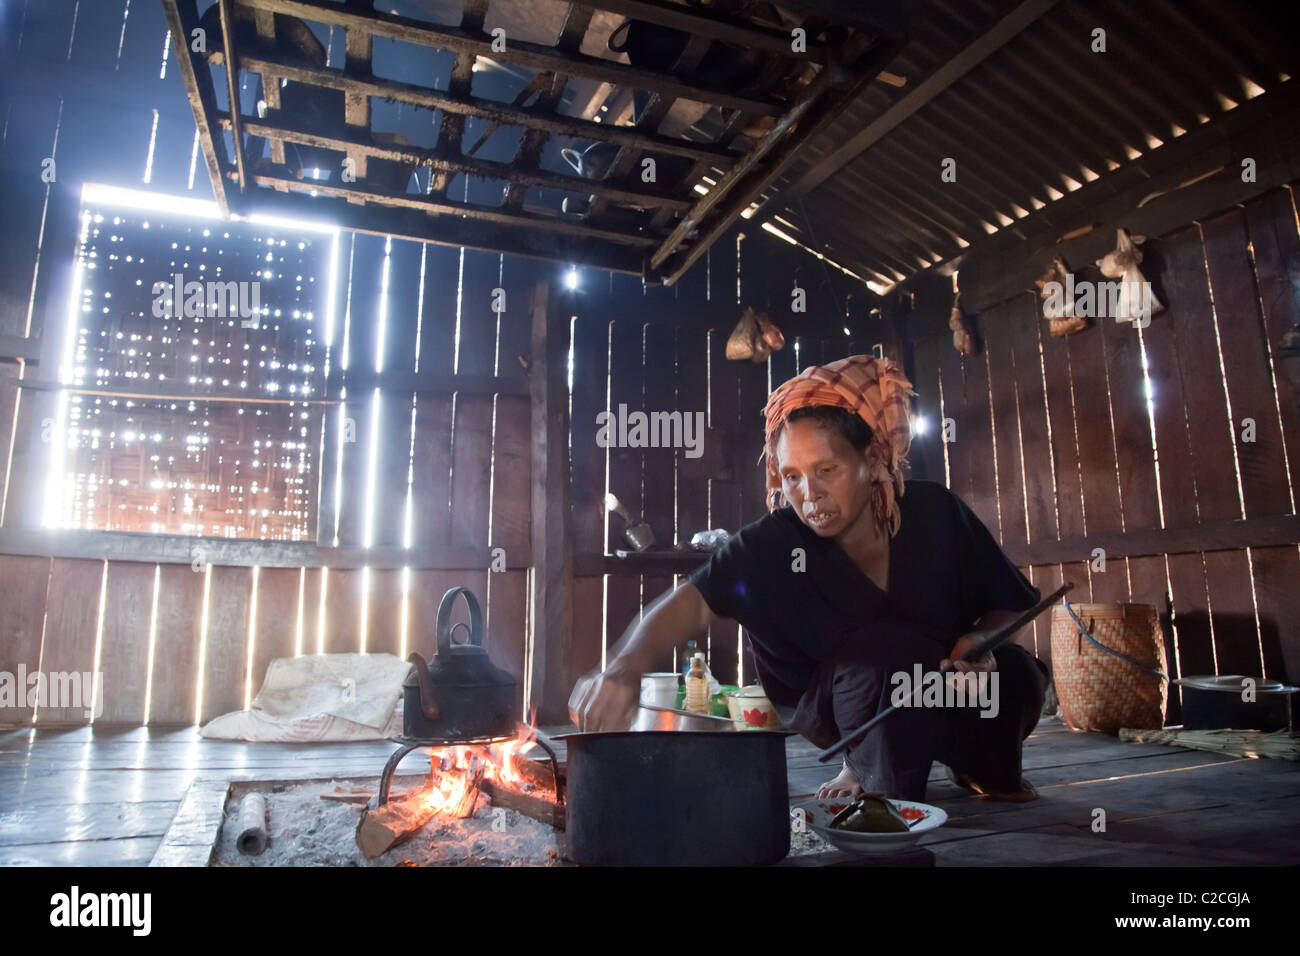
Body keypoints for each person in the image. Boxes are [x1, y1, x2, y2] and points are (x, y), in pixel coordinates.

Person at [568, 354, 1049, 803]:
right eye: (792, 475)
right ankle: (869, 776)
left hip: (943, 690)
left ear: (875, 460)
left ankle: (976, 766)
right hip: (844, 707)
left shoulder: (936, 513)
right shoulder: (773, 545)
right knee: (886, 653)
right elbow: (693, 601)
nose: (808, 494)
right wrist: (623, 669)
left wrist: (979, 643)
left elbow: (1013, 601)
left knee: (1019, 673)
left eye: (826, 469)